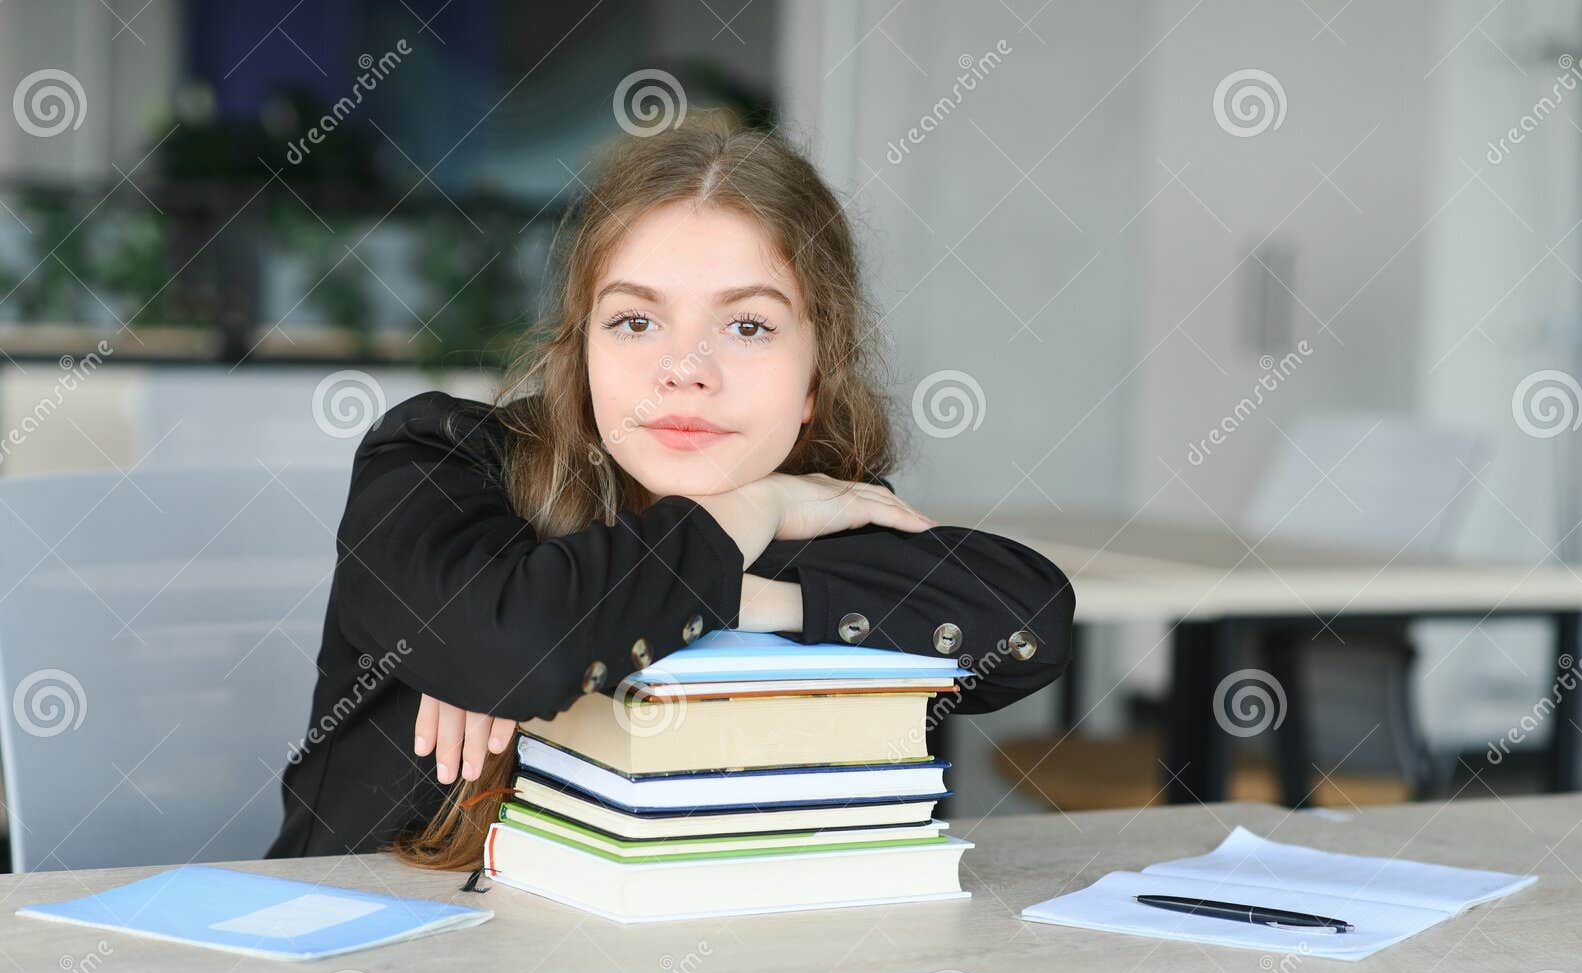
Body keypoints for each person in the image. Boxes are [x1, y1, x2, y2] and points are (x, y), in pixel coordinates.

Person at [265, 112, 1076, 870]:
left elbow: (1026, 623)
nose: (686, 370)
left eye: (748, 326)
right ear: (583, 348)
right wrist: (742, 519)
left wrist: (737, 590)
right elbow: (520, 648)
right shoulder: (435, 460)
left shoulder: (816, 510)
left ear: (815, 377)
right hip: (366, 958)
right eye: (636, 321)